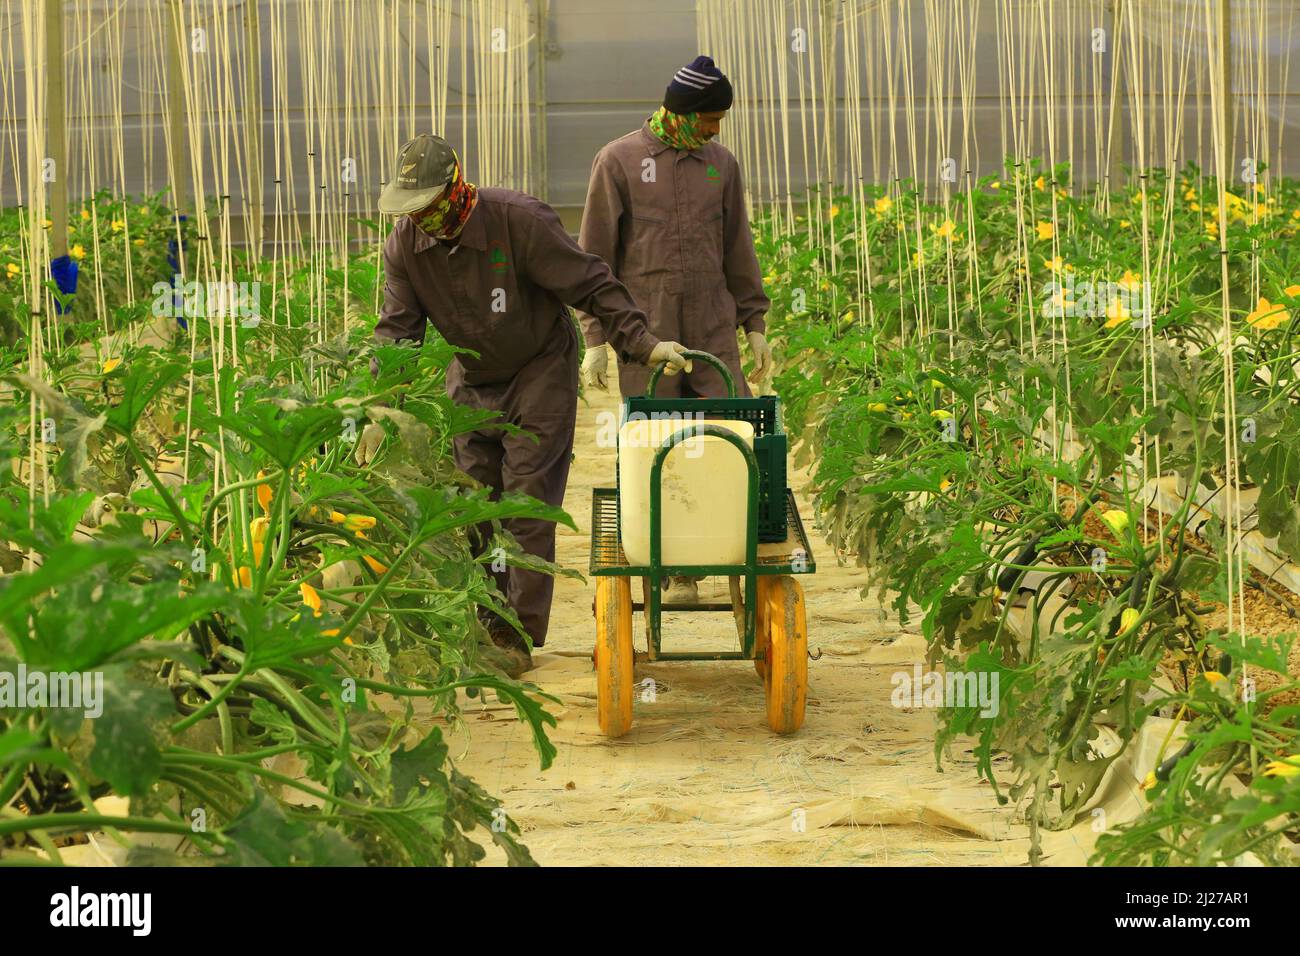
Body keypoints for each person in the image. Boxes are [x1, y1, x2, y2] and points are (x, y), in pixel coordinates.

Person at [356, 133, 691, 677]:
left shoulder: (518, 221)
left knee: (525, 504)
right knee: (473, 507)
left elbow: (591, 283)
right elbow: (397, 333)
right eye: (409, 211)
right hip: (472, 378)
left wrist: (641, 342)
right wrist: (379, 404)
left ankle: (514, 634)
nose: (418, 220)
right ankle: (487, 617)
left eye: (427, 208)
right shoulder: (406, 247)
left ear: (454, 189)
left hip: (539, 369)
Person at [576, 55, 773, 604]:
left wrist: (753, 323)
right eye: (710, 119)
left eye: (719, 121)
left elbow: (738, 249)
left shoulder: (721, 166)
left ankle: (720, 545)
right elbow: (594, 262)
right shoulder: (617, 162)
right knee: (656, 443)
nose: (715, 130)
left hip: (712, 333)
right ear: (682, 112)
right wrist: (595, 340)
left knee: (728, 437)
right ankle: (670, 565)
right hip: (647, 337)